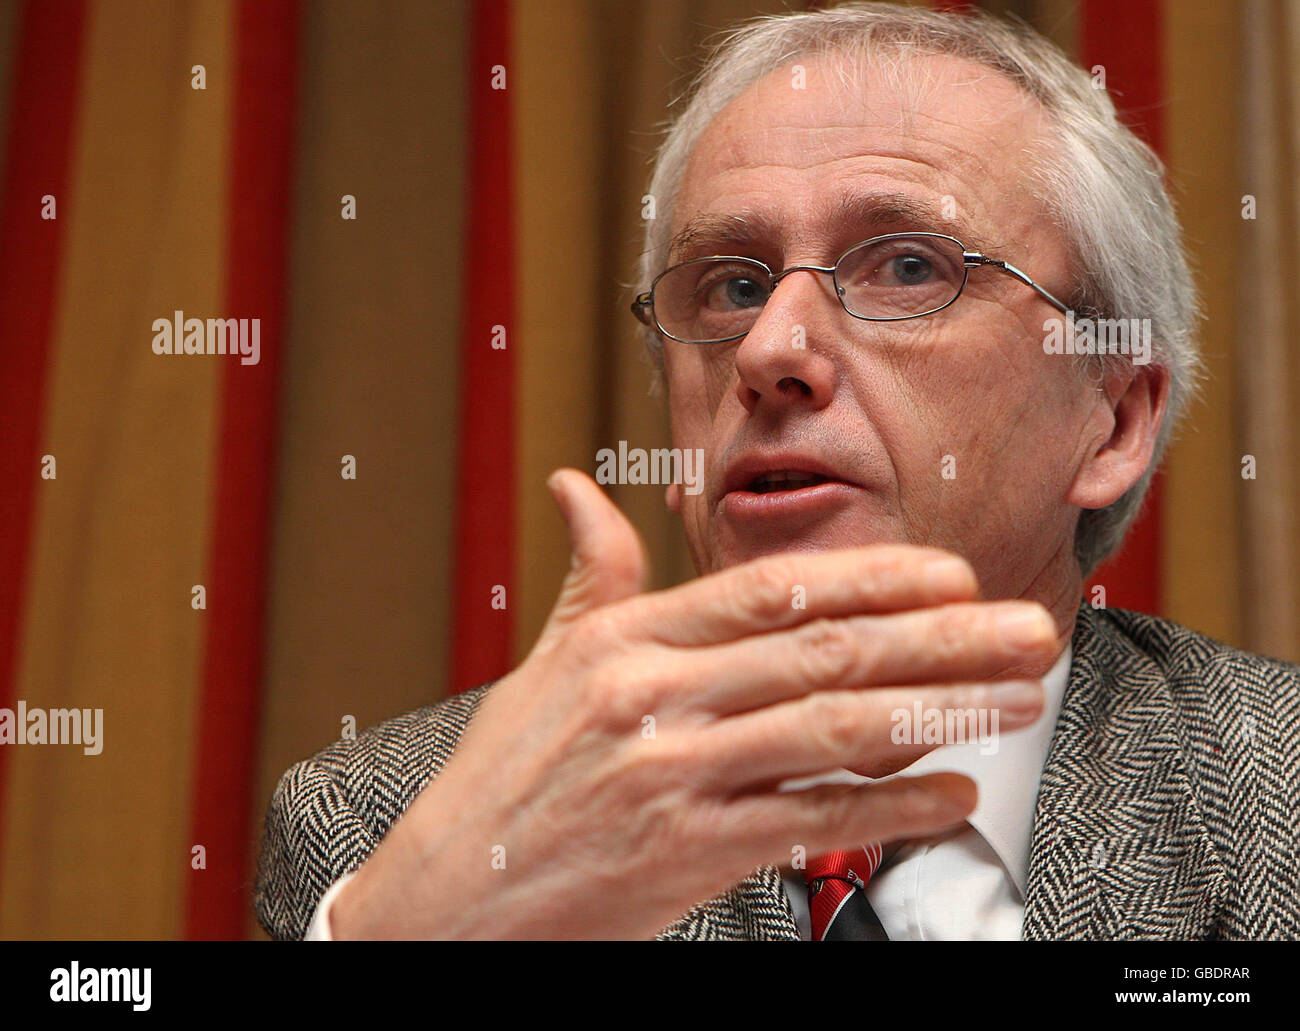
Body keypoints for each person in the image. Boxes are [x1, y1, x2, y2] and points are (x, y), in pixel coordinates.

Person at [255, 2, 1300, 941]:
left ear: (1110, 418)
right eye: (730, 284)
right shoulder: (385, 828)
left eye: (905, 267)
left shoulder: (1276, 800)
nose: (767, 350)